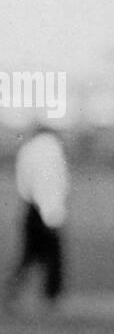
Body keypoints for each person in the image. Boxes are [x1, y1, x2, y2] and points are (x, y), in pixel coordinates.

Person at [3, 124, 69, 307]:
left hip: (31, 206)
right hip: (45, 209)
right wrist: (51, 212)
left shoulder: (29, 149)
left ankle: (12, 290)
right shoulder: (50, 150)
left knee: (29, 255)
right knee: (52, 257)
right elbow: (48, 184)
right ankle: (51, 297)